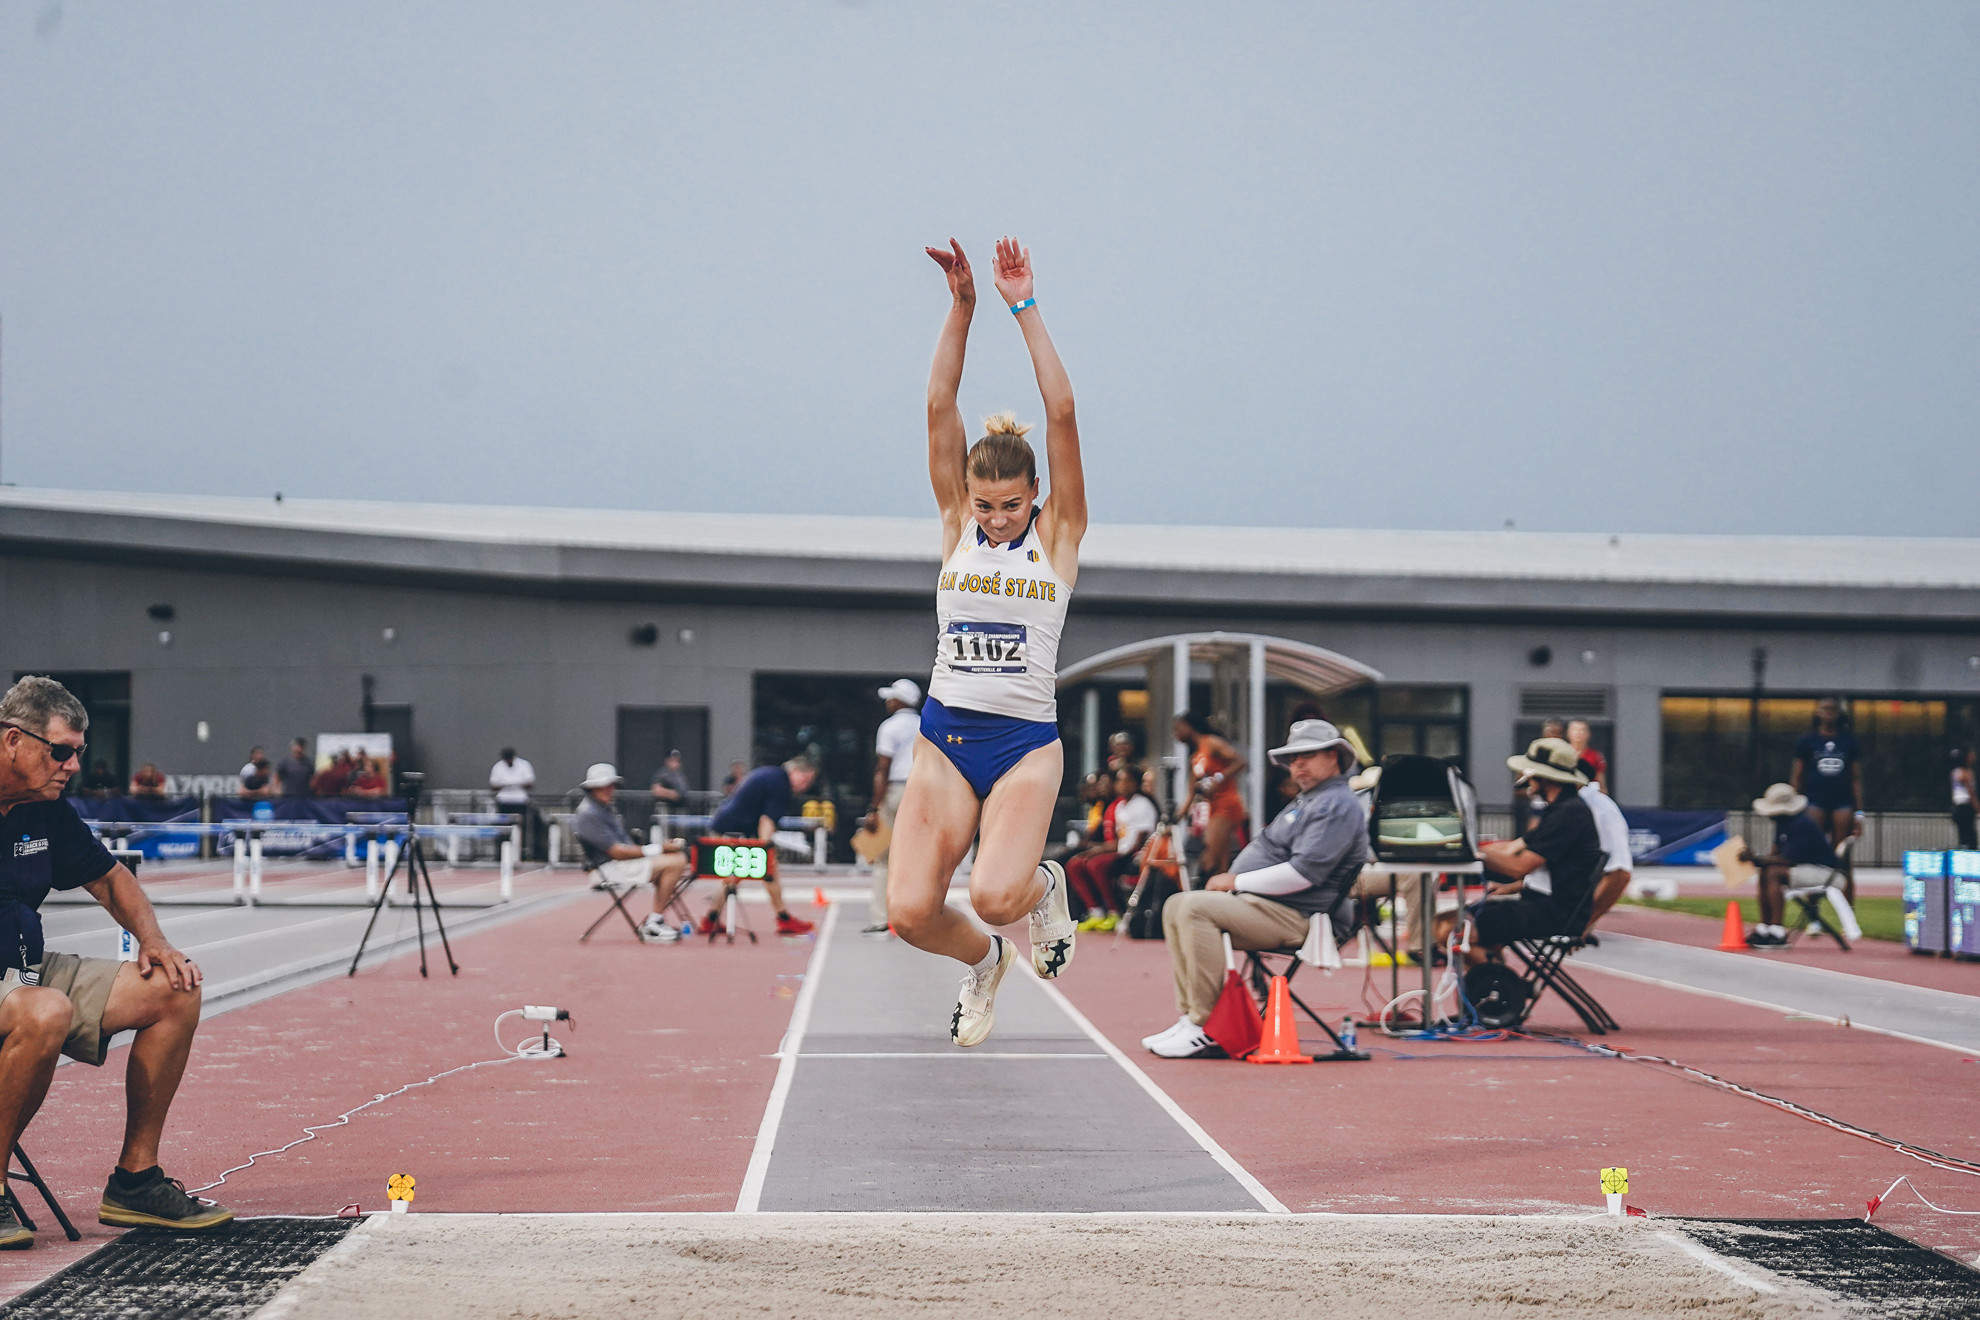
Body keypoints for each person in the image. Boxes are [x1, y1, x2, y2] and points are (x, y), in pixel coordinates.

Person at [888, 234, 1087, 1049]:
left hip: (1023, 746)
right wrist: (962, 310)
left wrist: (1024, 309)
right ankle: (984, 966)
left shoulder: (1060, 535)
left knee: (999, 897)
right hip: (945, 737)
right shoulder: (955, 526)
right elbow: (940, 408)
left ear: (1034, 493)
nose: (996, 516)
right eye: (985, 504)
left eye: (1010, 503)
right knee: (909, 913)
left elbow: (1063, 414)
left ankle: (1043, 889)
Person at [0, 677, 233, 1245]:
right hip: (26, 991)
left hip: (23, 969)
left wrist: (154, 940)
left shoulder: (44, 807)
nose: (74, 765)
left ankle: (135, 1181)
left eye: (79, 751)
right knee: (46, 1011)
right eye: (61, 750)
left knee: (175, 989)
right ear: (12, 742)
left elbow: (108, 878)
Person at [1141, 721, 1366, 1060]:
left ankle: (1209, 1026)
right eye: (1292, 759)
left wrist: (1236, 881)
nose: (1296, 765)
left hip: (1303, 918)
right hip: (1271, 907)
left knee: (1193, 908)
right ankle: (1191, 1019)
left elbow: (1304, 874)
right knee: (1176, 905)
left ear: (1333, 756)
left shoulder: (1335, 804)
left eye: (1305, 756)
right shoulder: (1311, 799)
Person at [1437, 738, 1603, 965]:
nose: (1526, 779)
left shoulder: (1568, 813)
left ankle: (1503, 986)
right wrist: (1471, 847)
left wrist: (1471, 849)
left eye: (1530, 773)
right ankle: (1497, 986)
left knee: (1446, 927)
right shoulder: (1562, 810)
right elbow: (1515, 850)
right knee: (1454, 922)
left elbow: (1519, 867)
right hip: (1547, 905)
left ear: (1545, 777)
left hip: (1554, 913)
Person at [572, 764, 688, 943]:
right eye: (604, 786)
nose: (610, 790)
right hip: (609, 869)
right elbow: (617, 852)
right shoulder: (590, 814)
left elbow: (621, 848)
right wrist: (659, 848)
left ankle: (655, 920)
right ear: (592, 788)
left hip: (617, 865)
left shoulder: (600, 808)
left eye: (611, 785)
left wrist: (652, 849)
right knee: (676, 861)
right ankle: (653, 923)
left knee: (673, 860)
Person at [706, 758, 819, 936]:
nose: (806, 786)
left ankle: (710, 919)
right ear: (794, 771)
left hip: (726, 826)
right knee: (765, 870)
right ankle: (783, 919)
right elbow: (766, 821)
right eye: (805, 779)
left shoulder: (771, 774)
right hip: (734, 831)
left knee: (734, 875)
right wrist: (765, 851)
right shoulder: (780, 785)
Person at [1743, 782, 1843, 948]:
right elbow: (1775, 854)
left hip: (1826, 872)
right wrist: (1759, 860)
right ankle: (1765, 928)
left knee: (1774, 872)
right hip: (1805, 868)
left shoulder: (1802, 824)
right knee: (1766, 871)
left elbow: (1788, 859)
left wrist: (1756, 859)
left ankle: (1777, 931)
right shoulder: (1782, 825)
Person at [863, 680, 922, 936]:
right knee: (919, 857)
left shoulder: (889, 727)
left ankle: (880, 919)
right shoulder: (926, 726)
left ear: (899, 701)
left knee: (884, 858)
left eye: (891, 698)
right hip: (924, 791)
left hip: (897, 790)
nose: (887, 702)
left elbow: (882, 769)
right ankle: (919, 918)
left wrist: (873, 808)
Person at [1068, 766, 1159, 931]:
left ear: (1136, 784)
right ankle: (1095, 911)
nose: (1121, 785)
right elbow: (1120, 838)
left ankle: (1114, 911)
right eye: (1119, 781)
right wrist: (1098, 849)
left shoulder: (1143, 804)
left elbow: (1140, 840)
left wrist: (1106, 851)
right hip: (1120, 851)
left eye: (1126, 781)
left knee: (1096, 865)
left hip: (1134, 854)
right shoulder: (1121, 805)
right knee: (1076, 864)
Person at [1791, 698, 1861, 897]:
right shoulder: (1807, 741)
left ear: (1839, 713)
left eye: (1832, 709)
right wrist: (1794, 808)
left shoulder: (1848, 741)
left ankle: (1849, 919)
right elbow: (1798, 775)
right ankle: (1813, 916)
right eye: (1824, 709)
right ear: (1817, 713)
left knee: (1843, 859)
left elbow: (1855, 778)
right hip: (1815, 801)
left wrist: (1860, 812)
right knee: (1812, 857)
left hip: (1842, 803)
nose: (1828, 713)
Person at [1174, 712, 1248, 879]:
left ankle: (1205, 892)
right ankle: (1221, 896)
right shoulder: (1196, 756)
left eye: (1178, 729)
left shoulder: (1211, 742)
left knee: (1209, 857)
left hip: (1227, 804)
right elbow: (1192, 791)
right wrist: (1179, 814)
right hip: (1214, 806)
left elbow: (1240, 761)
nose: (1176, 735)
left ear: (1189, 726)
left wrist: (1218, 778)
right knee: (1221, 861)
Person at [1577, 756, 1632, 933]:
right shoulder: (1567, 807)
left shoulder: (1596, 808)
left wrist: (1584, 922)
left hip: (1558, 910)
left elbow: (1620, 872)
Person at [489, 747, 537, 858]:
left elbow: (530, 783)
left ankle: (520, 853)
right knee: (502, 828)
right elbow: (493, 785)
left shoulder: (524, 765)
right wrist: (511, 784)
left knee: (521, 828)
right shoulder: (498, 767)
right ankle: (501, 854)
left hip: (519, 801)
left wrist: (511, 783)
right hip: (504, 801)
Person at [1566, 720, 1606, 792]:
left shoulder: (1596, 756)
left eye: (1582, 730)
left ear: (1588, 733)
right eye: (1575, 729)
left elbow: (1601, 784)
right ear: (1568, 733)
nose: (1579, 733)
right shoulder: (1562, 753)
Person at [1949, 748, 1975, 851]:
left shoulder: (1955, 772)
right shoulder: (1964, 773)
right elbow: (1970, 792)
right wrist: (1977, 807)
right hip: (1964, 806)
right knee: (1969, 836)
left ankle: (1965, 851)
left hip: (1958, 806)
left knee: (1964, 835)